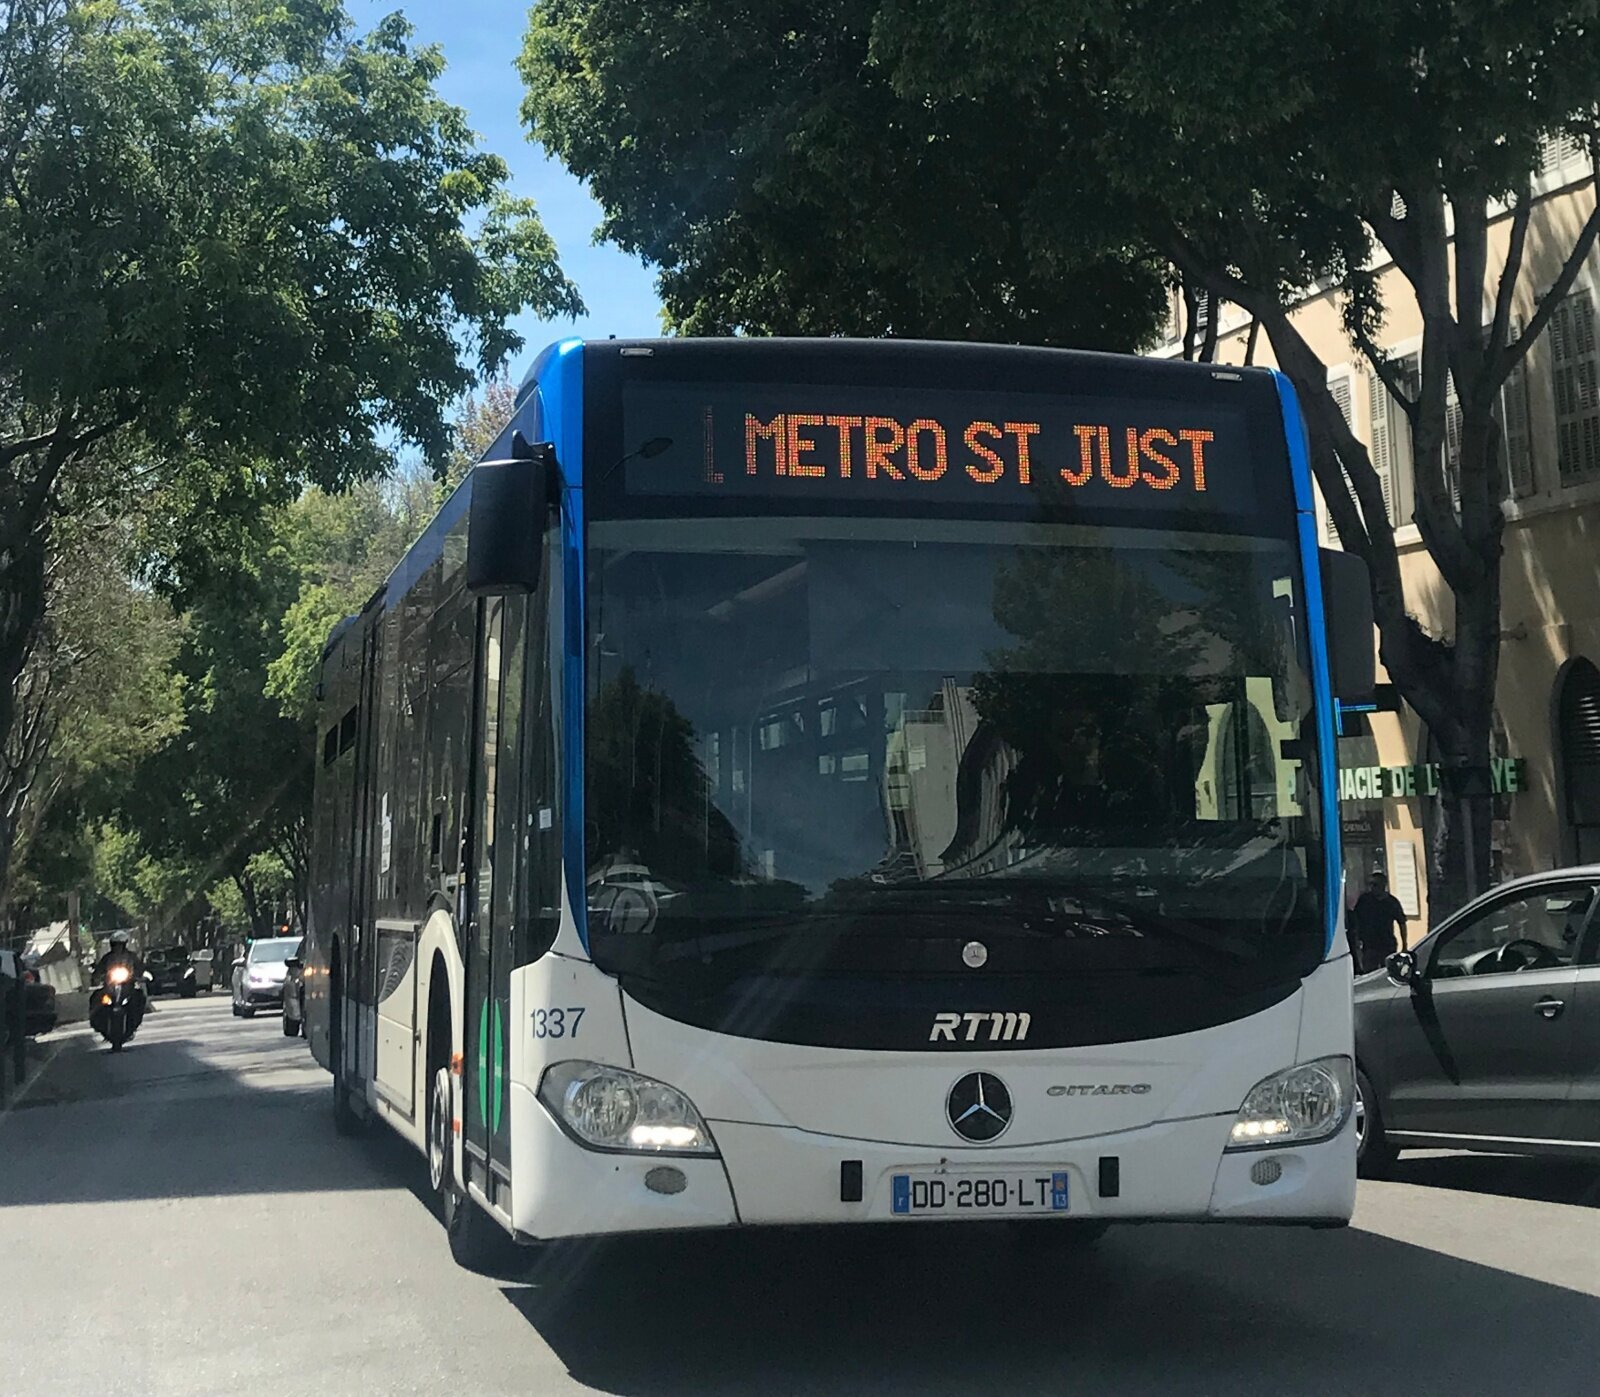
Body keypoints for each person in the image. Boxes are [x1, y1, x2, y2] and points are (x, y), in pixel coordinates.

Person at [1349, 872, 1408, 973]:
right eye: (1370, 884)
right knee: (1369, 973)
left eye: (1375, 884)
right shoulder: (1365, 900)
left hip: (1387, 944)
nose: (1372, 887)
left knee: (1387, 972)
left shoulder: (1392, 902)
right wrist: (1356, 939)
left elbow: (1402, 923)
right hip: (1369, 945)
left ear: (1383, 885)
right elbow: (1356, 919)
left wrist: (1404, 944)